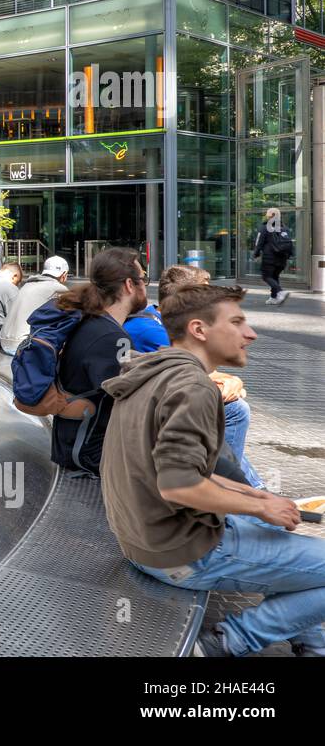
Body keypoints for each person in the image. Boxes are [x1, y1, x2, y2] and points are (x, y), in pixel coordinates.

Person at [100, 283, 325, 657]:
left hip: (144, 539)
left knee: (285, 546)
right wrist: (260, 507)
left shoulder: (154, 373)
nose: (250, 333)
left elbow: (172, 468)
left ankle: (314, 645)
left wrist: (253, 494)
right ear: (199, 330)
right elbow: (178, 485)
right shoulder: (193, 387)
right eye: (236, 322)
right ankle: (227, 643)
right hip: (182, 552)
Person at [125, 264, 264, 489]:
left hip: (155, 400)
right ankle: (230, 487)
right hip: (150, 408)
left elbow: (203, 370)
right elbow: (198, 375)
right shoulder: (155, 331)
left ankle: (251, 487)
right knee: (234, 411)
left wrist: (229, 381)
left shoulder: (157, 319)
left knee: (224, 407)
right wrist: (229, 382)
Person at [47, 247, 147, 476]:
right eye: (143, 279)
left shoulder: (89, 322)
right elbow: (126, 401)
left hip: (73, 444)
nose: (145, 285)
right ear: (129, 285)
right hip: (91, 453)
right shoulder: (112, 337)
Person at [0, 256, 69, 355]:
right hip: (23, 346)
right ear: (64, 275)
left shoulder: (27, 285)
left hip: (4, 342)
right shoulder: (59, 289)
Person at [252, 207, 294, 305]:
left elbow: (260, 243)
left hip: (269, 258)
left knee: (266, 276)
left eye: (267, 214)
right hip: (282, 258)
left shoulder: (265, 227)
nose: (266, 215)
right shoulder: (285, 228)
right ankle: (274, 297)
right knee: (274, 276)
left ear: (271, 216)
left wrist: (256, 254)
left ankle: (280, 291)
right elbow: (289, 243)